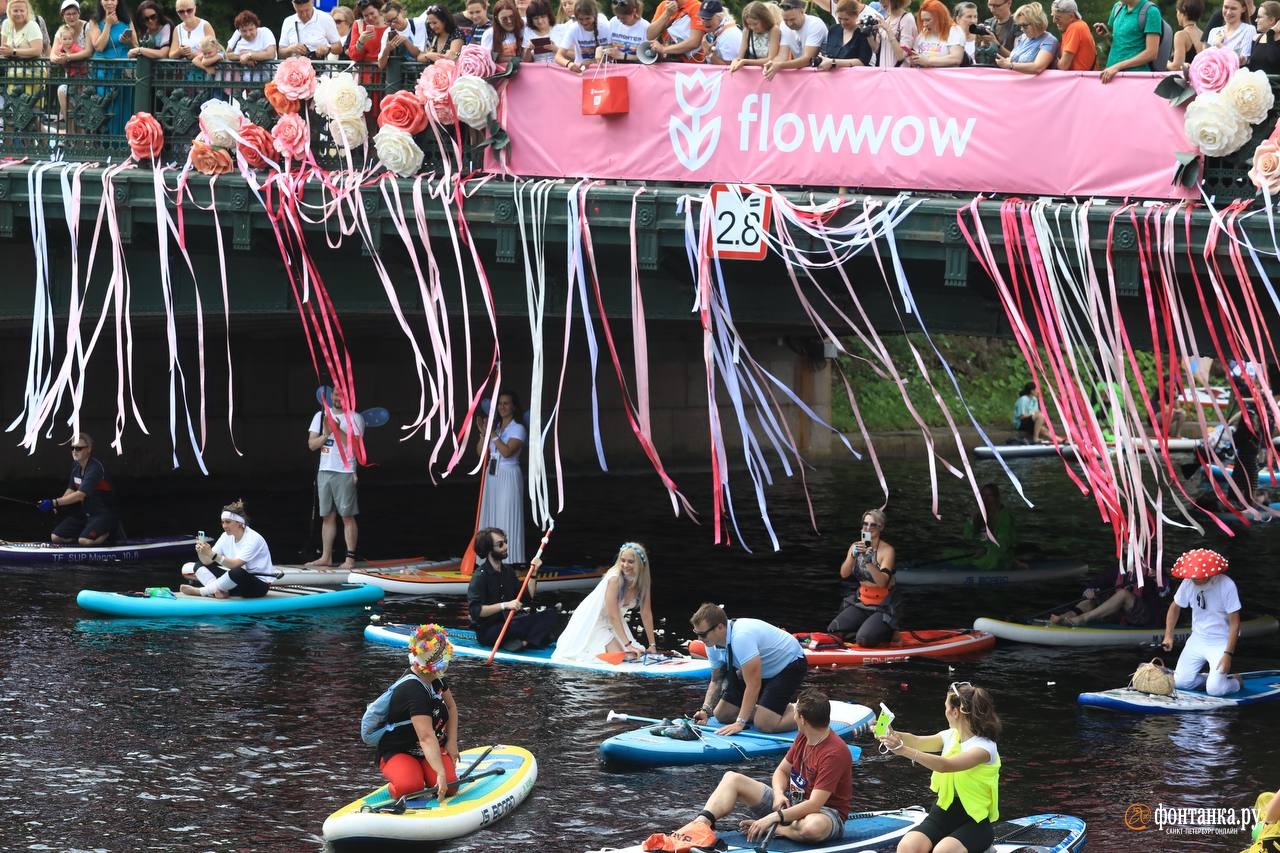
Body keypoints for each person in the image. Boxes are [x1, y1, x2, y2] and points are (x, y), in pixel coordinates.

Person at [645, 690, 854, 852]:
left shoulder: (834, 752)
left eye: (795, 711)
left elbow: (815, 804)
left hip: (823, 813)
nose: (793, 713)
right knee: (732, 778)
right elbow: (781, 772)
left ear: (802, 719)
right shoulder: (804, 736)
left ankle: (780, 831)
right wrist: (779, 795)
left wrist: (773, 819)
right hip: (790, 803)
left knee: (812, 827)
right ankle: (701, 824)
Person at [878, 682, 1002, 853]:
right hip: (943, 812)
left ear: (955, 712)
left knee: (943, 851)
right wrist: (891, 734)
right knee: (908, 846)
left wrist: (902, 750)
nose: (945, 711)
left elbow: (946, 766)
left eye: (946, 707)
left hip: (975, 821)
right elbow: (916, 741)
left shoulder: (985, 748)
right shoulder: (951, 735)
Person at [689, 603, 807, 735]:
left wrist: (740, 722)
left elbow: (754, 684)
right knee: (722, 715)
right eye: (696, 633)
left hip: (788, 664)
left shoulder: (741, 637)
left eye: (703, 634)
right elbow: (716, 680)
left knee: (765, 725)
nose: (699, 639)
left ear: (720, 627)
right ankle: (771, 711)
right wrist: (705, 710)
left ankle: (804, 713)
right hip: (762, 669)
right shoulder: (710, 643)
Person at [374, 624, 460, 803]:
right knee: (410, 789)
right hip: (400, 751)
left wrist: (451, 742)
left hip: (430, 749)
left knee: (451, 787)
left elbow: (451, 707)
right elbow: (426, 737)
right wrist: (441, 773)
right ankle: (399, 783)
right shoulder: (413, 690)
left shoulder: (436, 678)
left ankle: (423, 773)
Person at [552, 542, 659, 662]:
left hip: (614, 622)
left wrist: (652, 645)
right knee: (623, 655)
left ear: (640, 564)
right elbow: (613, 615)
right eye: (622, 560)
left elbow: (646, 614)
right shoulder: (615, 580)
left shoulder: (643, 583)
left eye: (630, 562)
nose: (625, 565)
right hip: (593, 621)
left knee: (634, 655)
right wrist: (628, 645)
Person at [1160, 548, 1243, 697]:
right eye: (1191, 576)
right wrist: (1168, 635)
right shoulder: (1188, 582)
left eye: (1197, 576)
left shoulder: (1227, 585)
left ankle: (1236, 682)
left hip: (1220, 641)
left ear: (1210, 573)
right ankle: (1210, 678)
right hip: (1197, 638)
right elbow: (1174, 607)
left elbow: (1235, 622)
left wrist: (1228, 654)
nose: (1193, 579)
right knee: (1180, 683)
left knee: (1215, 690)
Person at [466, 527, 558, 649]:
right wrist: (505, 605)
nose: (505, 547)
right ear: (489, 550)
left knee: (551, 614)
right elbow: (476, 611)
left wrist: (534, 573)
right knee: (530, 626)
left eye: (505, 542)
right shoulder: (480, 576)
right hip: (489, 630)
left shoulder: (508, 571)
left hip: (510, 622)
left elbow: (527, 596)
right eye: (500, 544)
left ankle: (523, 642)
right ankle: (528, 641)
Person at [306, 386, 365, 572]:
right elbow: (312, 445)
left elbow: (356, 447)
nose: (338, 397)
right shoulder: (320, 415)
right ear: (331, 395)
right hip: (324, 471)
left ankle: (350, 558)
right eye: (336, 393)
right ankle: (326, 556)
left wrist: (337, 429)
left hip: (345, 471)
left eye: (343, 394)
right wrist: (326, 433)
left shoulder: (356, 418)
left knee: (347, 516)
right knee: (327, 516)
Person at [827, 509, 899, 646]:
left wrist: (869, 562)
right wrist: (853, 556)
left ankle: (889, 632)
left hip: (883, 605)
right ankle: (866, 629)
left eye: (873, 525)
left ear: (881, 527)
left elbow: (883, 582)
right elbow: (844, 574)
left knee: (864, 640)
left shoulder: (887, 550)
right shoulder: (855, 546)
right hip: (862, 602)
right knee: (834, 630)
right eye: (865, 524)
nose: (868, 528)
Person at [180, 500, 277, 599]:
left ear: (239, 523)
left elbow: (235, 564)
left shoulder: (253, 539)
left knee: (237, 571)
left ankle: (202, 591)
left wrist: (212, 554)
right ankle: (218, 591)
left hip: (257, 586)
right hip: (234, 582)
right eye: (222, 522)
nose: (224, 526)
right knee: (199, 564)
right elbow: (207, 561)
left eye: (228, 522)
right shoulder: (225, 536)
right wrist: (201, 551)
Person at [38, 433, 118, 546]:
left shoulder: (95, 468)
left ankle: (107, 533)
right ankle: (84, 536)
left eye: (79, 448)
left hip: (103, 515)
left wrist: (54, 502)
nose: (74, 451)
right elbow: (71, 489)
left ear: (89, 449)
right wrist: (57, 505)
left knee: (84, 541)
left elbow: (80, 495)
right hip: (85, 513)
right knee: (55, 537)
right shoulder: (76, 465)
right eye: (72, 448)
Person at [475, 390, 527, 563]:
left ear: (513, 406)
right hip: (493, 476)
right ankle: (488, 558)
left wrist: (493, 435)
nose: (502, 407)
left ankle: (510, 560)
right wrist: (483, 433)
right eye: (499, 403)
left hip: (509, 475)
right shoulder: (496, 428)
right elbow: (480, 453)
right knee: (491, 515)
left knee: (506, 514)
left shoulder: (518, 429)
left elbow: (506, 452)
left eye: (506, 403)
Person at [1050, 562, 1167, 627]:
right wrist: (1090, 591)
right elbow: (1097, 582)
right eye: (1124, 541)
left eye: (1129, 542)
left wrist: (1158, 578)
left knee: (1123, 594)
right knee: (1093, 598)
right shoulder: (1120, 567)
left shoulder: (1154, 564)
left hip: (1148, 616)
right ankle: (1066, 616)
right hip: (1122, 613)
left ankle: (1082, 619)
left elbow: (1167, 592)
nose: (1125, 544)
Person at [1093, 0, 1164, 83]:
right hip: (1110, 76)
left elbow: (1152, 53)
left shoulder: (1151, 11)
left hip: (1135, 79)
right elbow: (1118, 45)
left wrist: (1117, 66)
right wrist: (1108, 35)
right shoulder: (1117, 7)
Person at [51, 0, 93, 129]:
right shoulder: (61, 31)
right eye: (68, 14)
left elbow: (88, 51)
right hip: (70, 76)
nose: (71, 16)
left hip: (87, 75)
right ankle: (70, 135)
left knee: (83, 107)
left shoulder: (87, 27)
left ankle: (84, 138)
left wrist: (69, 57)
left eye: (74, 13)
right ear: (62, 15)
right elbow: (52, 55)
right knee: (64, 96)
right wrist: (59, 59)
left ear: (79, 13)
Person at [958, 484, 1016, 573]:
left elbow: (1004, 541)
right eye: (983, 495)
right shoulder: (978, 514)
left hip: (998, 552)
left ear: (996, 498)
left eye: (989, 496)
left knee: (990, 560)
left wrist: (986, 550)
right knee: (949, 552)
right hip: (979, 550)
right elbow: (967, 536)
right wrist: (971, 520)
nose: (985, 499)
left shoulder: (1004, 516)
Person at [763, 0, 825, 78]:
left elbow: (808, 59)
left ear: (802, 12)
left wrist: (780, 65)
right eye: (785, 20)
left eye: (792, 19)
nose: (789, 24)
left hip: (820, 74)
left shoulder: (815, 24)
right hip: (804, 74)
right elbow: (782, 55)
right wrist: (772, 63)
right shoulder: (783, 25)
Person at [817, 0, 880, 69]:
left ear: (856, 15)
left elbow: (862, 62)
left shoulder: (863, 33)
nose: (843, 22)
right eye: (840, 18)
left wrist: (833, 62)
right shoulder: (834, 30)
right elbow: (829, 54)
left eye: (846, 19)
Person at [996, 3, 1056, 73]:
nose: (1021, 29)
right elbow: (1016, 59)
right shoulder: (1022, 38)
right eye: (1020, 26)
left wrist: (1010, 65)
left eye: (1024, 25)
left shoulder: (1049, 40)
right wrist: (1005, 61)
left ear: (1037, 22)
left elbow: (1038, 67)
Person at [646, 0, 710, 60]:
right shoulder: (663, 5)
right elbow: (650, 35)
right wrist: (666, 14)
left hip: (690, 65)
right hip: (666, 63)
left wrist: (663, 49)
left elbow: (695, 42)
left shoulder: (696, 6)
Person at [554, 0, 608, 69]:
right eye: (580, 19)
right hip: (582, 70)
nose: (584, 22)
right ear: (576, 18)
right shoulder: (573, 28)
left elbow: (613, 52)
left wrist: (592, 61)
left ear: (595, 16)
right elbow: (558, 56)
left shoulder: (605, 26)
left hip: (604, 70)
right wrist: (570, 64)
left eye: (587, 18)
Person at [729, 0, 781, 70]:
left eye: (755, 24)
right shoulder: (747, 30)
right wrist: (736, 61)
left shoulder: (774, 30)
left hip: (770, 71)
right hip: (752, 73)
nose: (752, 27)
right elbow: (740, 56)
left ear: (764, 19)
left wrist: (745, 61)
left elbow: (771, 59)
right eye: (749, 24)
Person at [225, 10, 277, 76]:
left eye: (251, 29)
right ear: (239, 30)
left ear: (256, 26)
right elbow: (227, 54)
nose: (248, 34)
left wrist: (249, 55)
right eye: (244, 31)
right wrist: (243, 57)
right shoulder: (237, 34)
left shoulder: (265, 32)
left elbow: (271, 54)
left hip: (269, 79)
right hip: (245, 82)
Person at [378, 0, 427, 66]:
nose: (392, 24)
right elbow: (381, 65)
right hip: (399, 74)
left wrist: (405, 40)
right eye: (388, 22)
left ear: (401, 12)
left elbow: (418, 54)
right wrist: (387, 49)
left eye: (394, 19)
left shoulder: (417, 24)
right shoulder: (387, 32)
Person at [1052, 0, 1097, 69]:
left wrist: (1048, 59)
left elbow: (1063, 66)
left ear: (1071, 16)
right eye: (1053, 16)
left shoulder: (1074, 28)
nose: (1054, 21)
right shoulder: (1080, 25)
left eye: (1057, 18)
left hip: (1080, 78)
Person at [876, 0, 917, 65]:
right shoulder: (886, 19)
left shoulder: (907, 19)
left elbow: (901, 55)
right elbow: (876, 49)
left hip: (899, 72)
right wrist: (868, 33)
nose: (880, 2)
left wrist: (888, 30)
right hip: (885, 72)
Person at [1166, 0, 1202, 70]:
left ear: (1182, 12)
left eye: (1177, 11)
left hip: (1187, 79)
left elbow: (1176, 67)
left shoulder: (1181, 35)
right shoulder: (1203, 34)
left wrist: (1165, 62)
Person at [1250, 0, 1280, 71]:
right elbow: (1253, 66)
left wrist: (1270, 34)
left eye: (1259, 17)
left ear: (1271, 20)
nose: (1256, 20)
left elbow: (1273, 61)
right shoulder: (1257, 38)